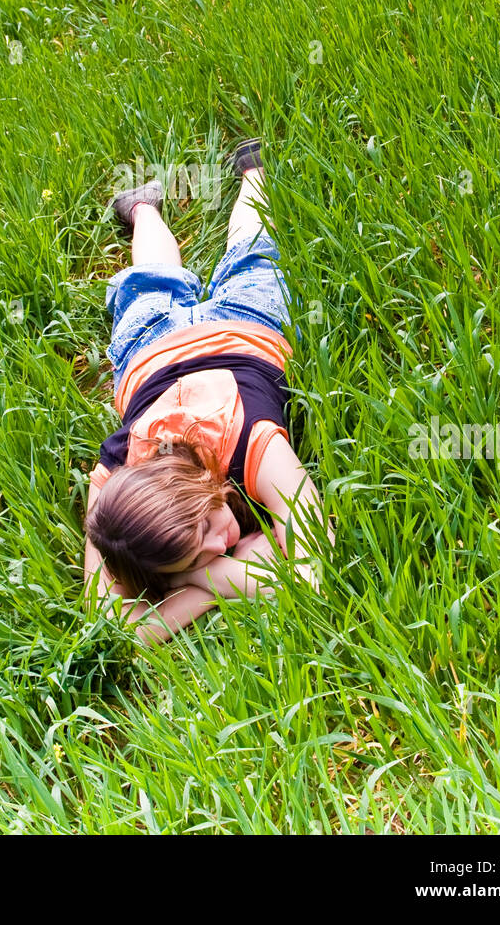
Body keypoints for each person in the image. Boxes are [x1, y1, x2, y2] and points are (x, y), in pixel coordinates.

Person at [83, 138, 334, 646]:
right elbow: (108, 626)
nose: (222, 546)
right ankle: (142, 206)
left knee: (250, 253)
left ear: (201, 489)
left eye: (206, 529)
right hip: (154, 351)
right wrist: (210, 580)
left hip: (238, 330)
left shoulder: (254, 444)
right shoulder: (114, 498)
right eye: (197, 558)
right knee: (152, 282)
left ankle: (253, 174)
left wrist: (193, 582)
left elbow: (312, 570)